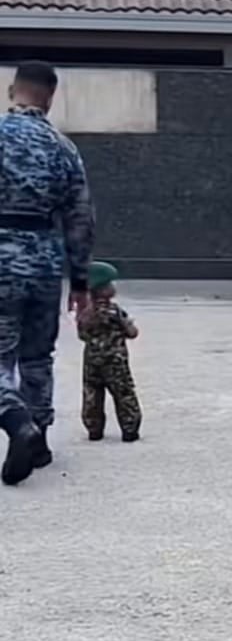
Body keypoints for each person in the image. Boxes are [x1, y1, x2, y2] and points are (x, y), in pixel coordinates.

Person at [0, 62, 94, 486]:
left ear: (11, 91)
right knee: (38, 356)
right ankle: (38, 439)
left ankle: (15, 420)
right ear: (50, 97)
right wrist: (79, 282)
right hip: (43, 260)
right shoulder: (63, 147)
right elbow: (80, 218)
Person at [78, 261, 142, 443]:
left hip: (91, 360)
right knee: (124, 393)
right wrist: (129, 325)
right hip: (115, 360)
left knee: (92, 394)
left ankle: (94, 429)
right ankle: (129, 430)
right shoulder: (115, 311)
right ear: (103, 289)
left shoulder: (85, 313)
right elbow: (132, 333)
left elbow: (82, 335)